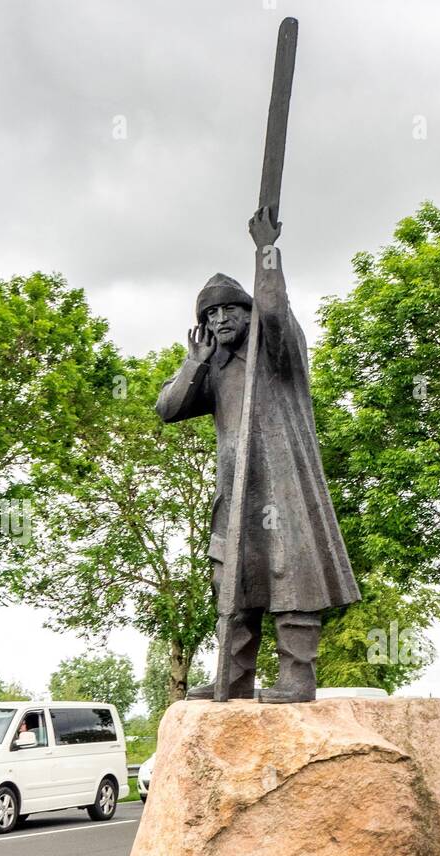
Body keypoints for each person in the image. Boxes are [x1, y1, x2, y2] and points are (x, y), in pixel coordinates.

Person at [156, 207, 360, 702]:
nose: (220, 319)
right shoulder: (216, 368)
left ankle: (297, 679)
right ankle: (233, 678)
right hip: (236, 490)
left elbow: (273, 309)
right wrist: (194, 364)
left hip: (283, 485)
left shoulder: (276, 353)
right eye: (210, 315)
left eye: (229, 309)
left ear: (247, 313)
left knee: (292, 576)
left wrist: (265, 252)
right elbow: (168, 408)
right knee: (232, 582)